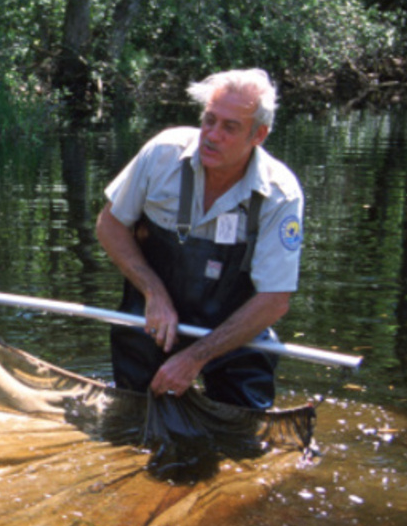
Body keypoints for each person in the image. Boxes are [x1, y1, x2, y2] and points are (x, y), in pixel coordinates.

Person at [96, 69, 304, 409]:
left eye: (229, 127)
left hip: (233, 332)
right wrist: (153, 292)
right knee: (131, 414)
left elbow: (274, 300)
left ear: (258, 135)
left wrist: (195, 357)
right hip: (152, 322)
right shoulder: (161, 155)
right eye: (209, 120)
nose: (212, 135)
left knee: (243, 425)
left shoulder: (280, 194)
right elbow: (110, 225)